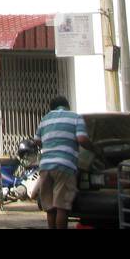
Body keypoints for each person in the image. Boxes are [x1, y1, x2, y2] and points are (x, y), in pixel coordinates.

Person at [34, 94, 89, 230]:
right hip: (65, 166)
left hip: (45, 166)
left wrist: (50, 143)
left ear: (51, 108)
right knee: (61, 207)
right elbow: (82, 139)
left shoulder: (45, 119)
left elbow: (37, 140)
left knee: (50, 208)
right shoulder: (75, 117)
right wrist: (93, 148)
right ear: (67, 105)